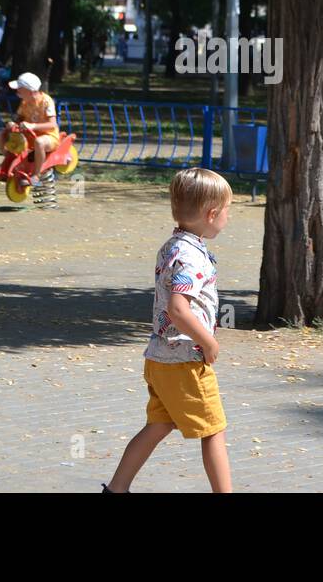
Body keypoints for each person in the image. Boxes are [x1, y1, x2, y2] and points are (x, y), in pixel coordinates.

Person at [104, 168, 233, 493]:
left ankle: (116, 490)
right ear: (212, 213)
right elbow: (178, 309)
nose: (228, 218)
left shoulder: (173, 245)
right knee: (213, 431)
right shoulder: (193, 258)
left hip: (159, 358)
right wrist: (209, 341)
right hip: (185, 360)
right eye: (228, 211)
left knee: (159, 424)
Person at [0, 72, 59, 185]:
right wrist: (12, 123)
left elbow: (52, 124)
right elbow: (19, 117)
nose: (17, 91)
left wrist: (33, 126)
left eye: (20, 88)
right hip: (29, 135)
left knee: (39, 142)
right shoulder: (25, 102)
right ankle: (11, 162)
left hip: (49, 136)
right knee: (0, 135)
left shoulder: (46, 101)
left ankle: (37, 175)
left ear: (30, 91)